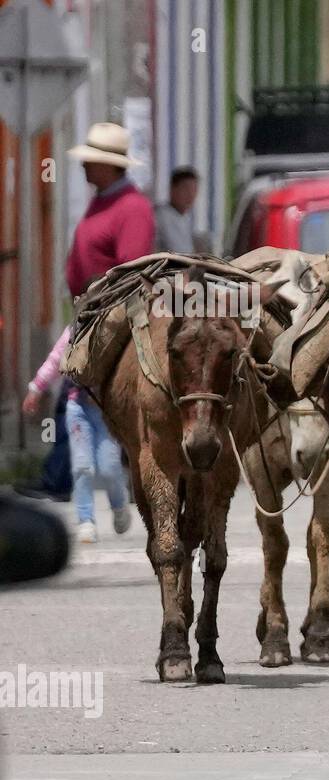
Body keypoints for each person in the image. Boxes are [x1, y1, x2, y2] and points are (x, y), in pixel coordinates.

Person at [53, 122, 156, 543]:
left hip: (111, 316)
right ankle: (85, 482)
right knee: (76, 397)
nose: (84, 167)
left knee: (92, 397)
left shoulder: (132, 208)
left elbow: (130, 269)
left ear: (110, 167)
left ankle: (115, 483)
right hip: (88, 314)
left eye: (92, 161)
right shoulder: (101, 202)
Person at [155, 166, 198, 254]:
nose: (190, 194)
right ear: (172, 189)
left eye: (194, 190)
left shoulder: (184, 216)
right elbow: (179, 252)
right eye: (185, 189)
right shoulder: (162, 215)